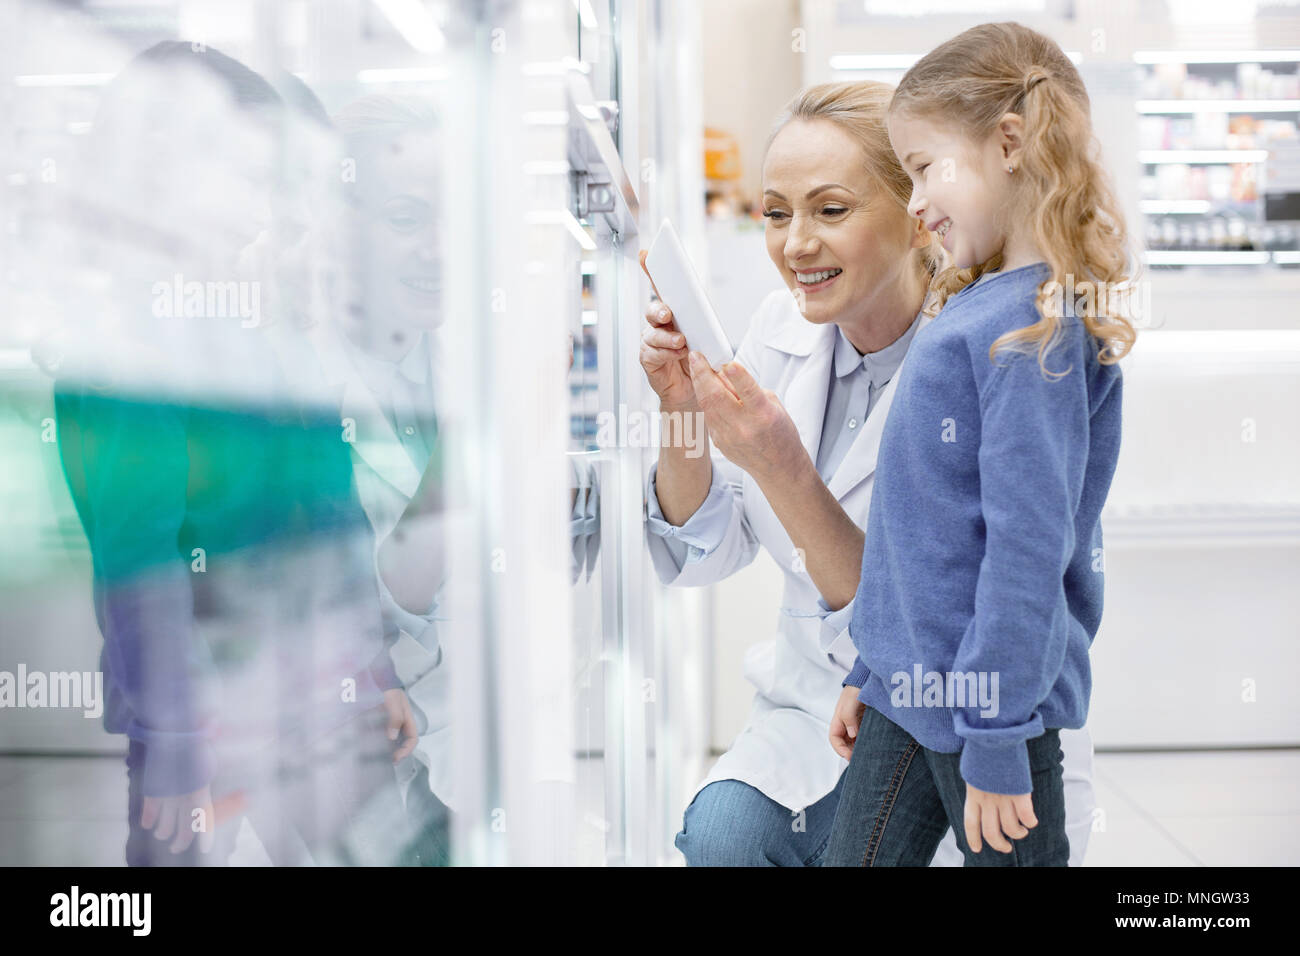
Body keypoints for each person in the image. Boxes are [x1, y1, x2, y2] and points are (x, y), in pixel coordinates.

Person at [642, 80, 1098, 866]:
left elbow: (924, 605)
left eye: (830, 210)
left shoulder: (989, 357)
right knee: (720, 840)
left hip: (941, 715)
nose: (795, 244)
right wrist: (680, 407)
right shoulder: (778, 331)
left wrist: (781, 462)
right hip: (808, 713)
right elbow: (704, 549)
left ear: (919, 214)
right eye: (777, 213)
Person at [50, 42, 416, 866]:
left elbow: (332, 515)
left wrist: (372, 668)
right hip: (209, 722)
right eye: (247, 173)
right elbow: (140, 563)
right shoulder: (119, 354)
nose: (269, 203)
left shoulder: (262, 332)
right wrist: (177, 744)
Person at [822, 21, 1136, 866]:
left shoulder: (1034, 334)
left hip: (988, 709)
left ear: (1007, 143)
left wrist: (996, 733)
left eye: (925, 168)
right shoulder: (982, 309)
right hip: (909, 693)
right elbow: (923, 530)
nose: (915, 200)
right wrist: (873, 668)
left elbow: (1025, 549)